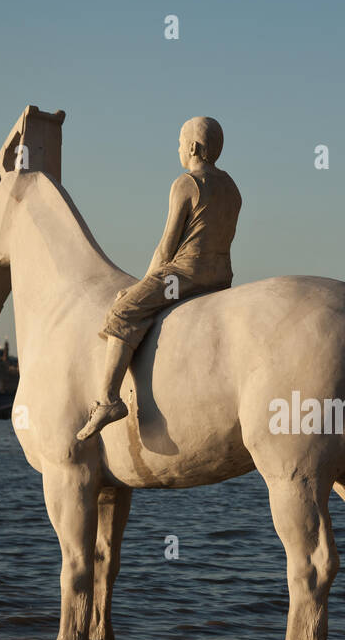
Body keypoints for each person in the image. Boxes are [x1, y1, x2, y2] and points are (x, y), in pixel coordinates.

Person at [77, 116, 241, 441]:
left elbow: (167, 248)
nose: (178, 148)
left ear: (193, 147)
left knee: (123, 311)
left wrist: (140, 288)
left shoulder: (186, 184)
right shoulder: (232, 188)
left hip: (184, 276)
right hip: (221, 278)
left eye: (180, 143)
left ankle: (109, 399)